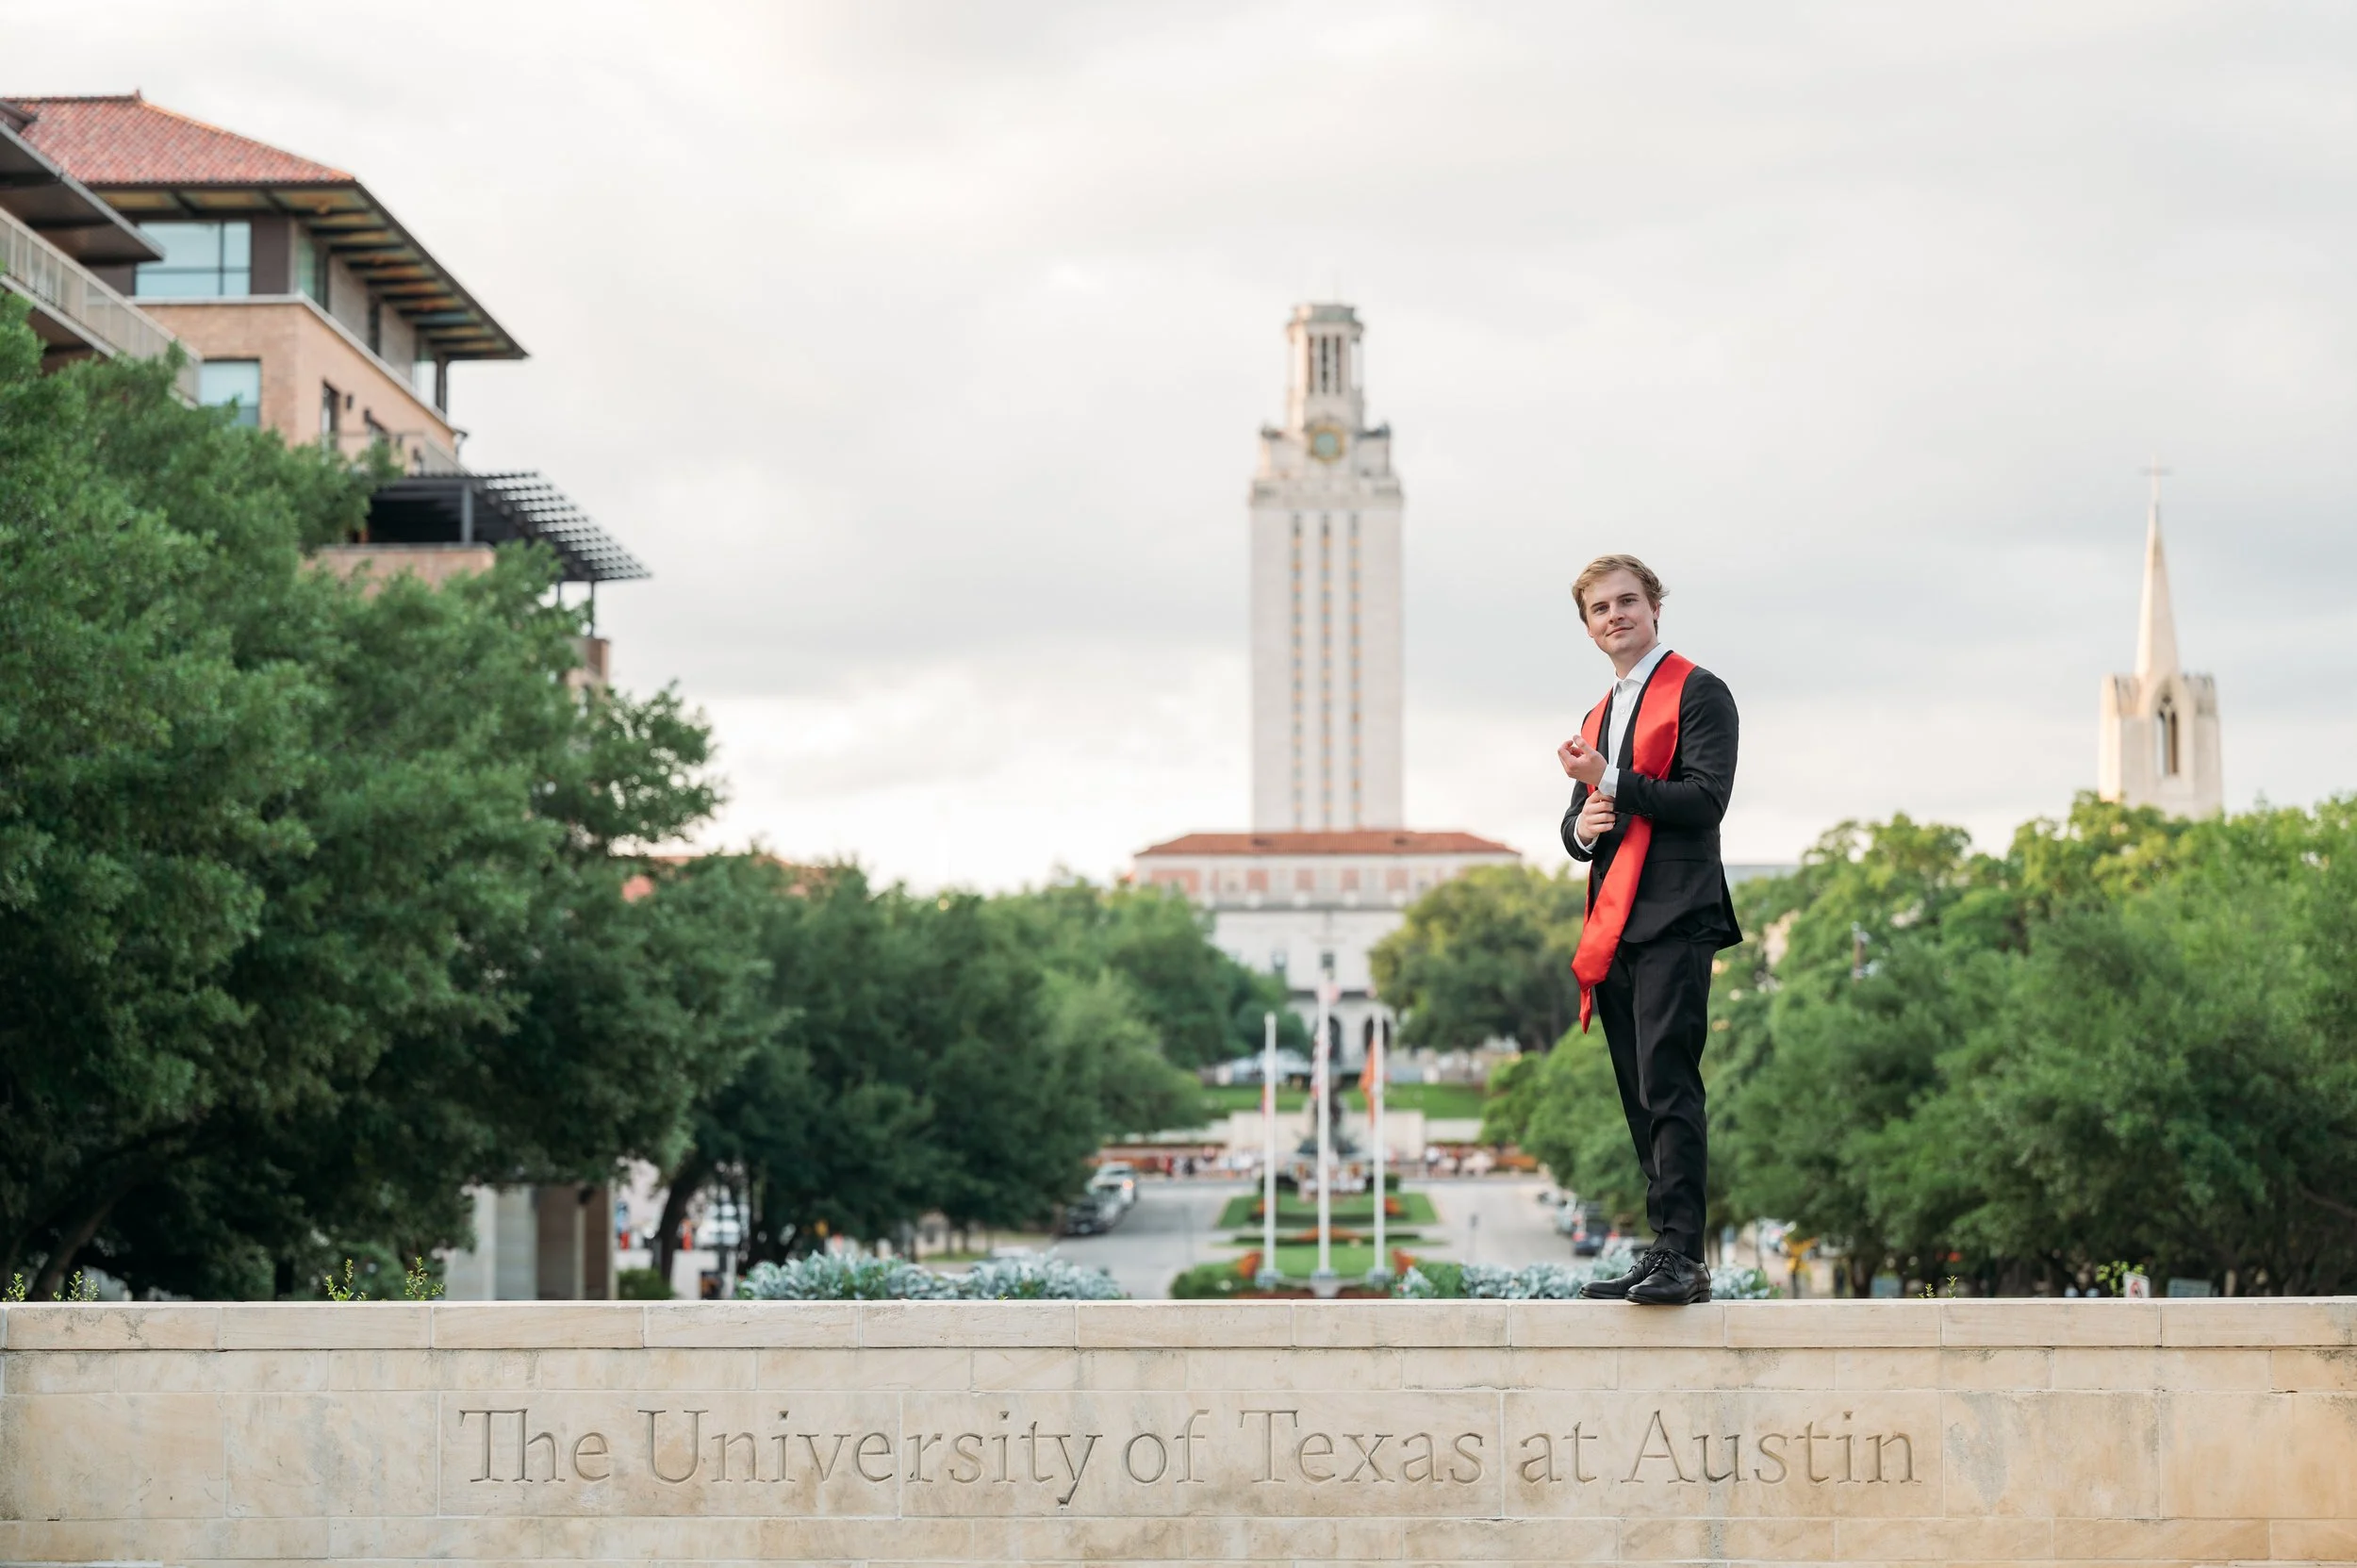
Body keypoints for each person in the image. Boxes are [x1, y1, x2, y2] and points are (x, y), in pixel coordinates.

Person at [1554, 553, 1741, 1306]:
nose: (1616, 616)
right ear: (1588, 627)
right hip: (1617, 922)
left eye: (1627, 601)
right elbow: (1578, 825)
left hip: (1677, 913)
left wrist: (1608, 780)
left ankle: (1685, 1256)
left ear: (1655, 606)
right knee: (1638, 1091)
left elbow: (1705, 800)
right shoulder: (1597, 714)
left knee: (1669, 1081)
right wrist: (1583, 826)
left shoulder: (1700, 691)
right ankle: (1664, 1245)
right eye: (1600, 608)